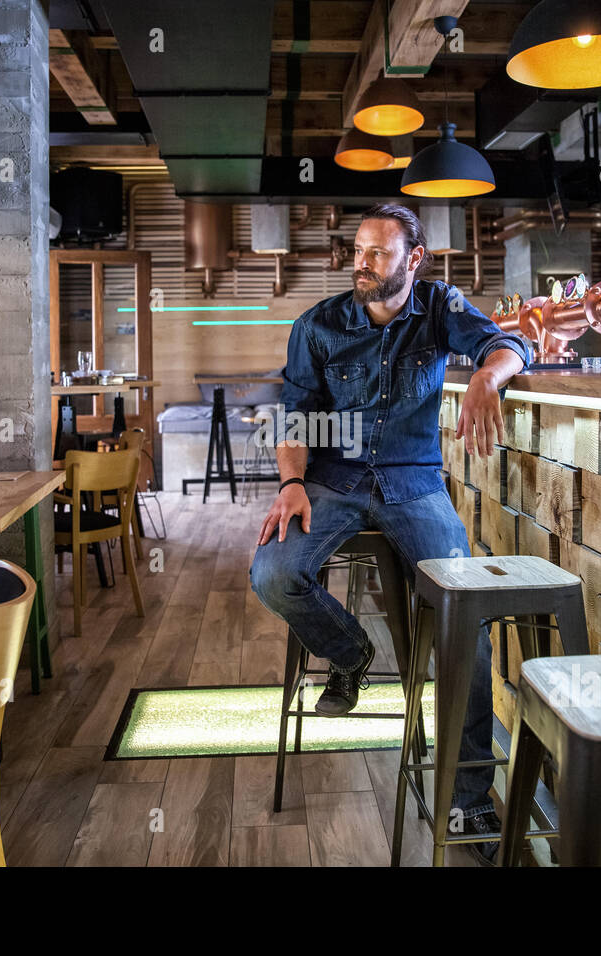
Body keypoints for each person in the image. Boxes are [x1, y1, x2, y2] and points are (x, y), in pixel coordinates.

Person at [248, 202, 531, 865]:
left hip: (413, 482)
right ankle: (349, 655)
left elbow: (506, 343)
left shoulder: (439, 306)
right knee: (273, 573)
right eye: (358, 252)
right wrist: (290, 483)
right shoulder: (319, 325)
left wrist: (489, 374)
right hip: (333, 479)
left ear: (414, 259)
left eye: (378, 253)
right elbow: (292, 413)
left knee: (469, 615)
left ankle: (468, 799)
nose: (363, 264)